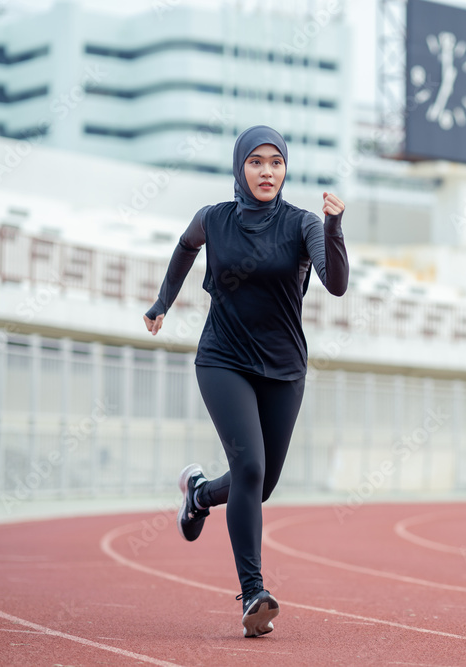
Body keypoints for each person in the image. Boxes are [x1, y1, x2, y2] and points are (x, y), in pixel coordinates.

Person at [142, 125, 348, 637]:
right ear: (240, 168)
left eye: (275, 162)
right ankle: (253, 592)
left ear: (285, 170)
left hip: (283, 368)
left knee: (262, 484)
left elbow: (337, 285)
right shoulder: (214, 218)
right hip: (223, 359)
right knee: (250, 467)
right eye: (255, 162)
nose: (266, 171)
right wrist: (162, 303)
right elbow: (185, 250)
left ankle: (198, 494)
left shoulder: (303, 225)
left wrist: (334, 225)